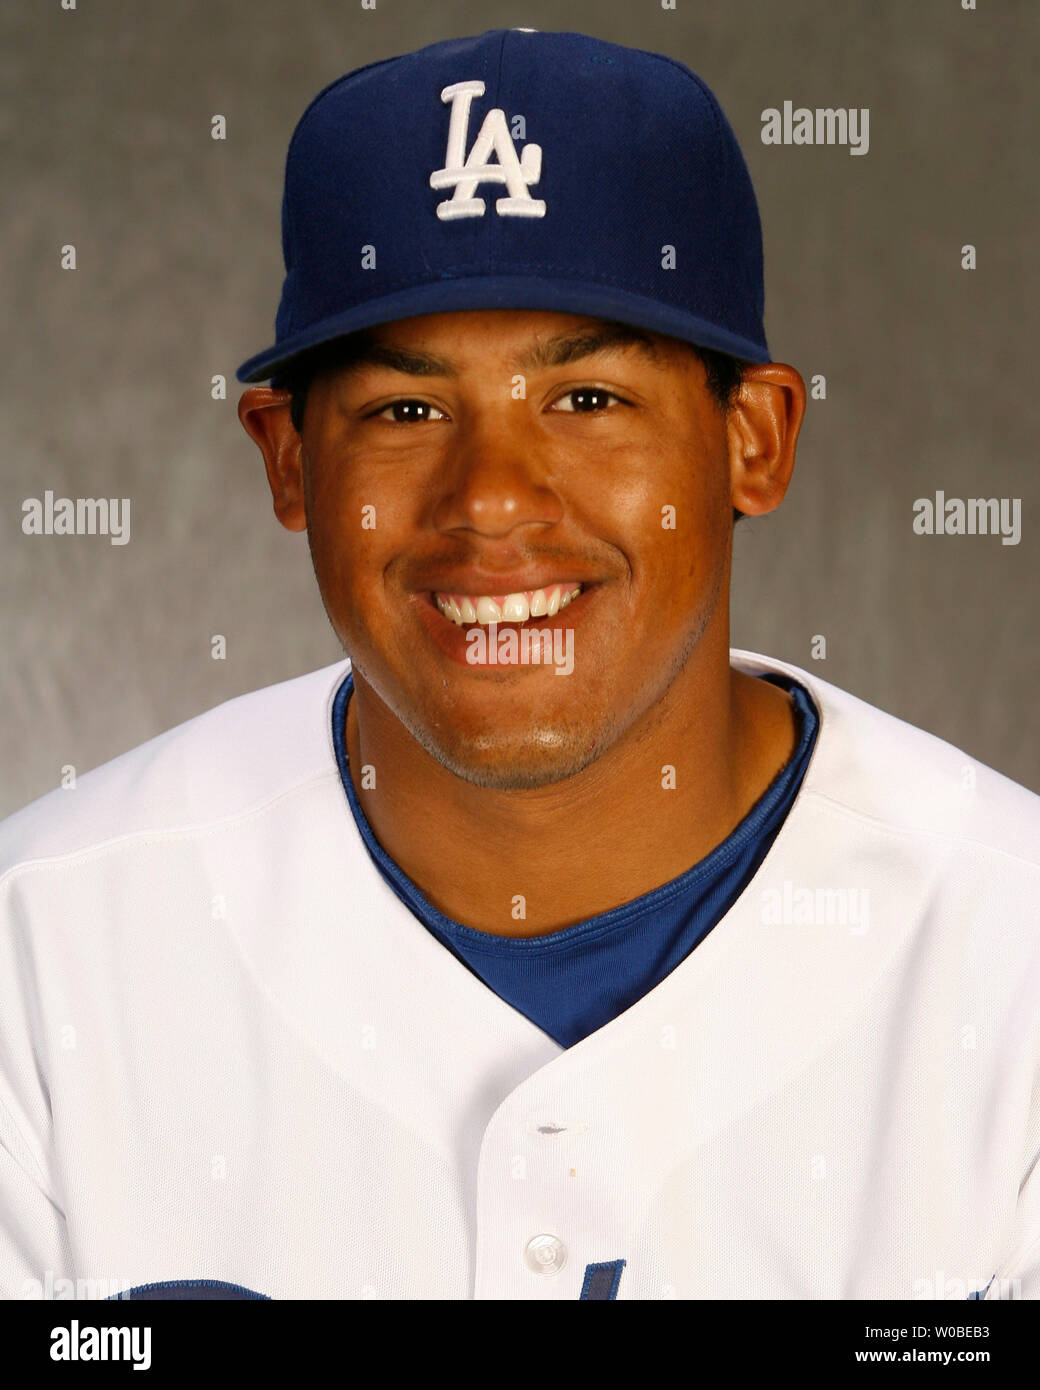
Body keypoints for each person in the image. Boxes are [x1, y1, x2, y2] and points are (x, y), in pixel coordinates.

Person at [1, 28, 1037, 1303]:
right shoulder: (43, 947)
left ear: (751, 442)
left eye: (587, 399)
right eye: (406, 410)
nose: (492, 501)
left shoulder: (1010, 957)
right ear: (287, 459)